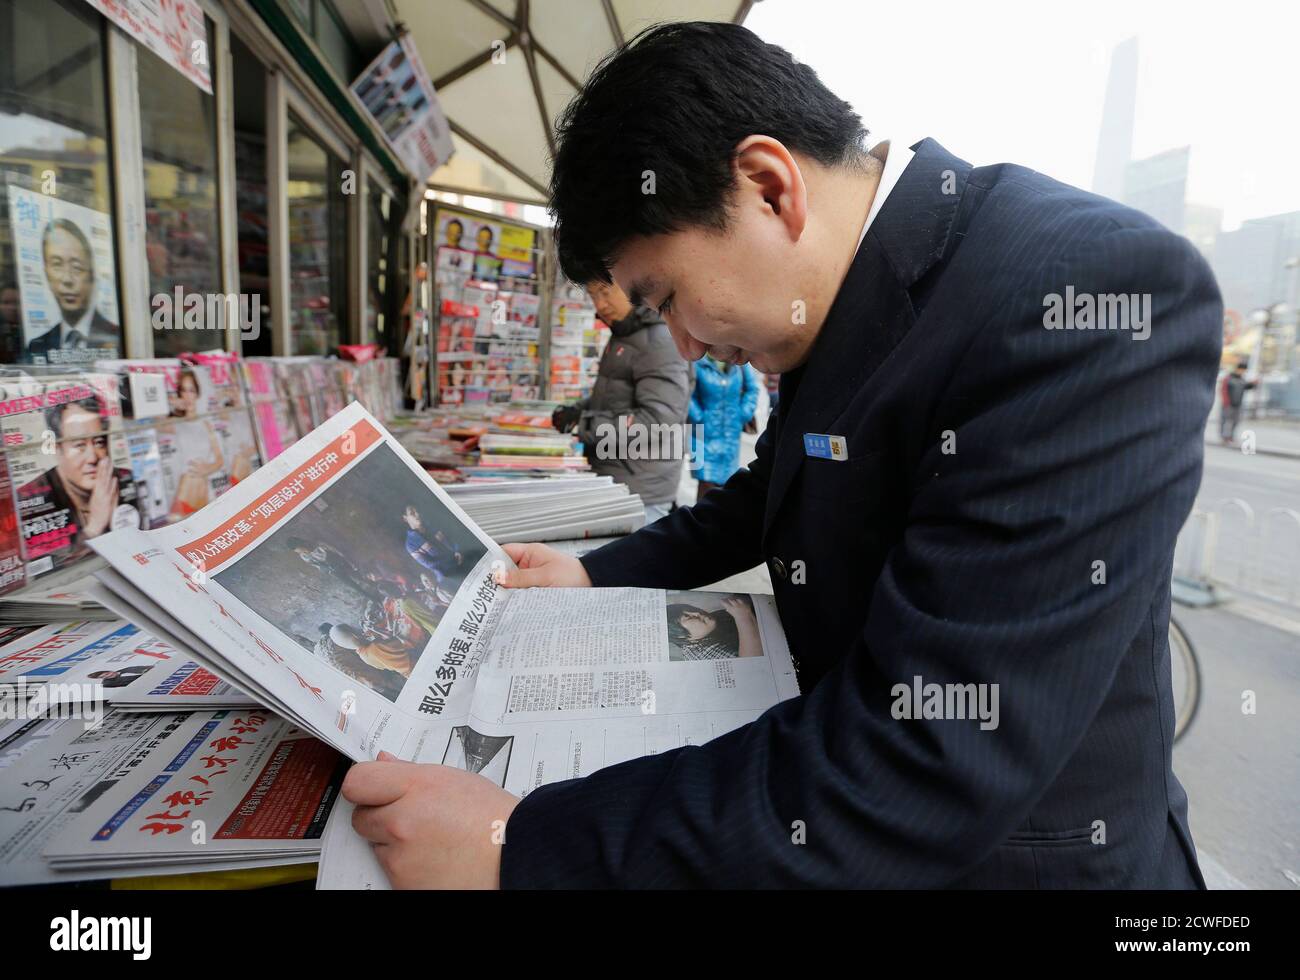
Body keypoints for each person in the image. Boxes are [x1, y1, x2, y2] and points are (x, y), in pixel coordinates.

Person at [342, 23, 1221, 889]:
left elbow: (926, 751)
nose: (680, 347)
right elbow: (778, 490)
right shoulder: (834, 297)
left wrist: (522, 847)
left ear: (768, 187)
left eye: (670, 297)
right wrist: (595, 574)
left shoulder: (1086, 292)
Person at [551, 278, 690, 522]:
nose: (600, 304)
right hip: (618, 479)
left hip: (641, 491)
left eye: (605, 292)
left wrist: (582, 424)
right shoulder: (625, 332)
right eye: (593, 295)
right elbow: (615, 399)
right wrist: (576, 411)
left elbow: (657, 420)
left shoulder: (659, 340)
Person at [17, 397, 138, 560]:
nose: (92, 458)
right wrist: (94, 527)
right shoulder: (31, 499)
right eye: (79, 445)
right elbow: (49, 567)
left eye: (99, 443)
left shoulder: (123, 479)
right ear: (56, 448)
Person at [24, 219, 118, 363]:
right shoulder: (37, 347)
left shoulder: (115, 338)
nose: (67, 279)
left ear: (92, 275)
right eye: (57, 265)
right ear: (46, 272)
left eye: (76, 267)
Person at [689, 353, 761, 501]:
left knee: (726, 488)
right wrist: (700, 417)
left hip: (730, 436)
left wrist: (742, 414)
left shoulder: (739, 361)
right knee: (706, 488)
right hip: (704, 436)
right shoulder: (697, 363)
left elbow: (752, 389)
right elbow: (688, 392)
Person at [1218, 361, 1255, 445]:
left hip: (1238, 404)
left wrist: (1253, 384)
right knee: (1225, 421)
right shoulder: (1228, 378)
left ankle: (1231, 437)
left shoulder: (1242, 379)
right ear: (1238, 369)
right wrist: (1226, 402)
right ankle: (1224, 437)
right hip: (1228, 404)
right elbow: (1223, 390)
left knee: (1235, 421)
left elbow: (1246, 387)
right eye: (1242, 370)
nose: (1243, 372)